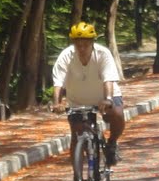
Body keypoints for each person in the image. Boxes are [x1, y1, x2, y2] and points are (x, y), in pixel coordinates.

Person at [52, 21, 126, 165]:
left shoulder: (103, 54)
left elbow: (108, 79)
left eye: (85, 44)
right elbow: (58, 83)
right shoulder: (66, 57)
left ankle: (112, 143)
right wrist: (57, 103)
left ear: (92, 42)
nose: (82, 48)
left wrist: (108, 99)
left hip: (105, 97)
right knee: (76, 135)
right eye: (78, 45)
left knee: (117, 114)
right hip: (78, 100)